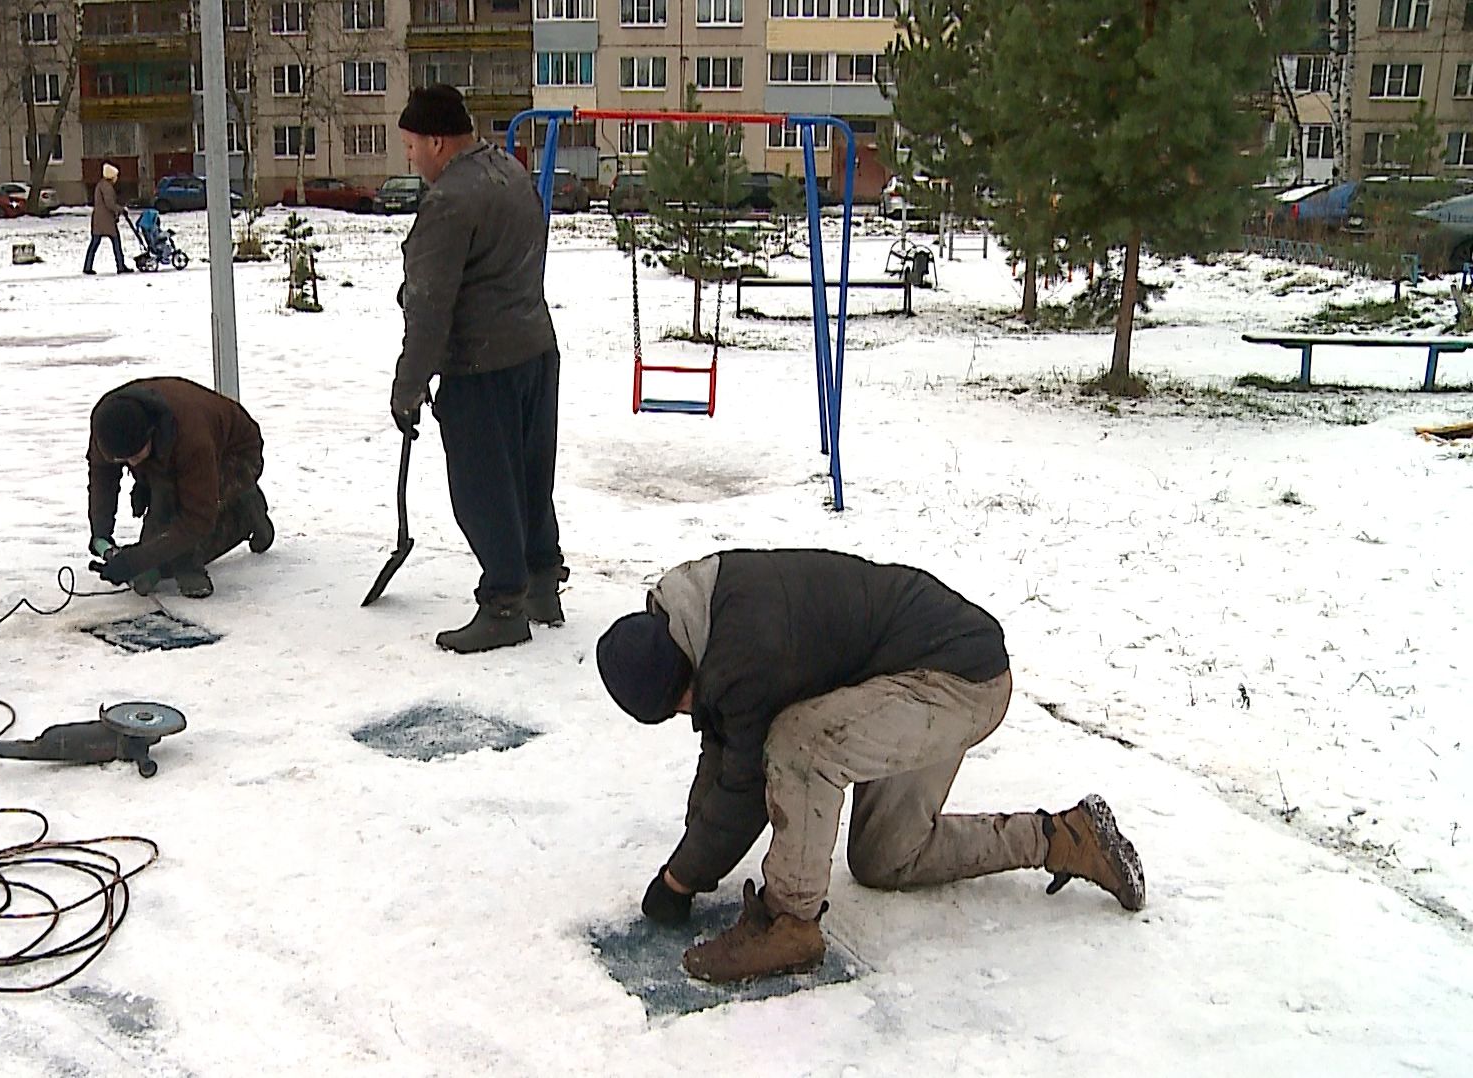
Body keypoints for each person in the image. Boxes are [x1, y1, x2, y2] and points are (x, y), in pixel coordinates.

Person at [595, 549, 1146, 983]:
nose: (688, 711)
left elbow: (744, 783)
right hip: (912, 669)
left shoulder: (743, 648)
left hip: (955, 681)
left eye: (682, 701)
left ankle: (789, 925)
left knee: (799, 747)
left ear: (682, 668)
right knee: (885, 858)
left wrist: (680, 879)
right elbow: (723, 747)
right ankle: (1064, 838)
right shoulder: (699, 620)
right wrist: (689, 867)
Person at [390, 84, 564, 654]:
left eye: (412, 145)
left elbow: (429, 304)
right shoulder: (511, 173)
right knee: (529, 476)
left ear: (437, 141)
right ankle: (542, 584)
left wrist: (408, 386)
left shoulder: (449, 201)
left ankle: (504, 606)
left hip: (481, 364)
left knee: (484, 489)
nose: (410, 157)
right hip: (535, 351)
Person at [86, 377, 275, 598]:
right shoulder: (107, 424)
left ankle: (246, 514)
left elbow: (197, 520)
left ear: (152, 433)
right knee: (156, 549)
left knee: (174, 527)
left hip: (235, 455)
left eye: (136, 456)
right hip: (172, 455)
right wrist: (101, 531)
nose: (132, 464)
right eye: (123, 460)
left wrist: (137, 559)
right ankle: (179, 560)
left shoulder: (192, 439)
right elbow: (102, 475)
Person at [84, 162, 130, 275]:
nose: (116, 179)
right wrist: (120, 209)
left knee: (95, 243)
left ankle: (88, 266)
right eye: (115, 176)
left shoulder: (101, 185)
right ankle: (120, 265)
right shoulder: (107, 187)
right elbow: (110, 204)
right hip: (106, 220)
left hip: (99, 220)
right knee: (116, 242)